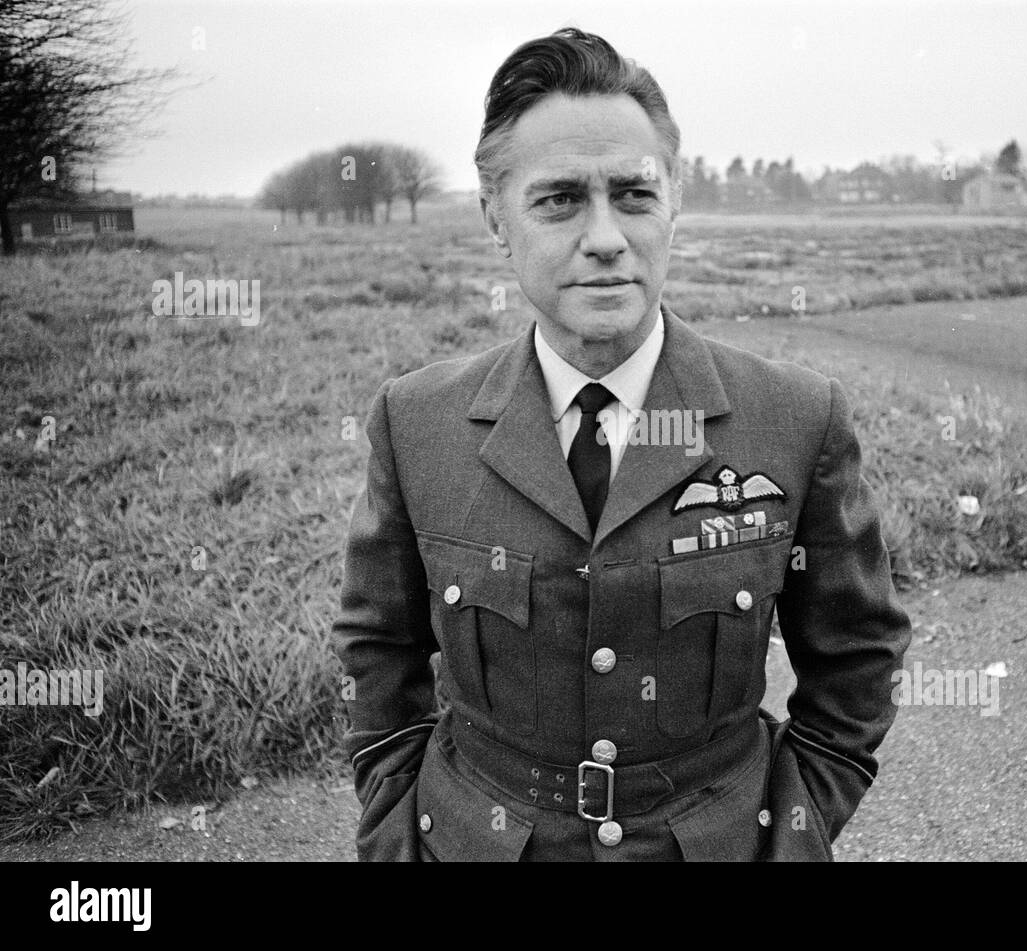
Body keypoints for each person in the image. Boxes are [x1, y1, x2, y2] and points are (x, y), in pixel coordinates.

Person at [331, 26, 911, 862]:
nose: (605, 236)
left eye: (634, 195)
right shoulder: (418, 424)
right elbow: (378, 655)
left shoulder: (792, 419)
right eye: (560, 199)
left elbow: (858, 657)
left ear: (675, 197)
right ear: (494, 214)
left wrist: (792, 832)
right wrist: (394, 832)